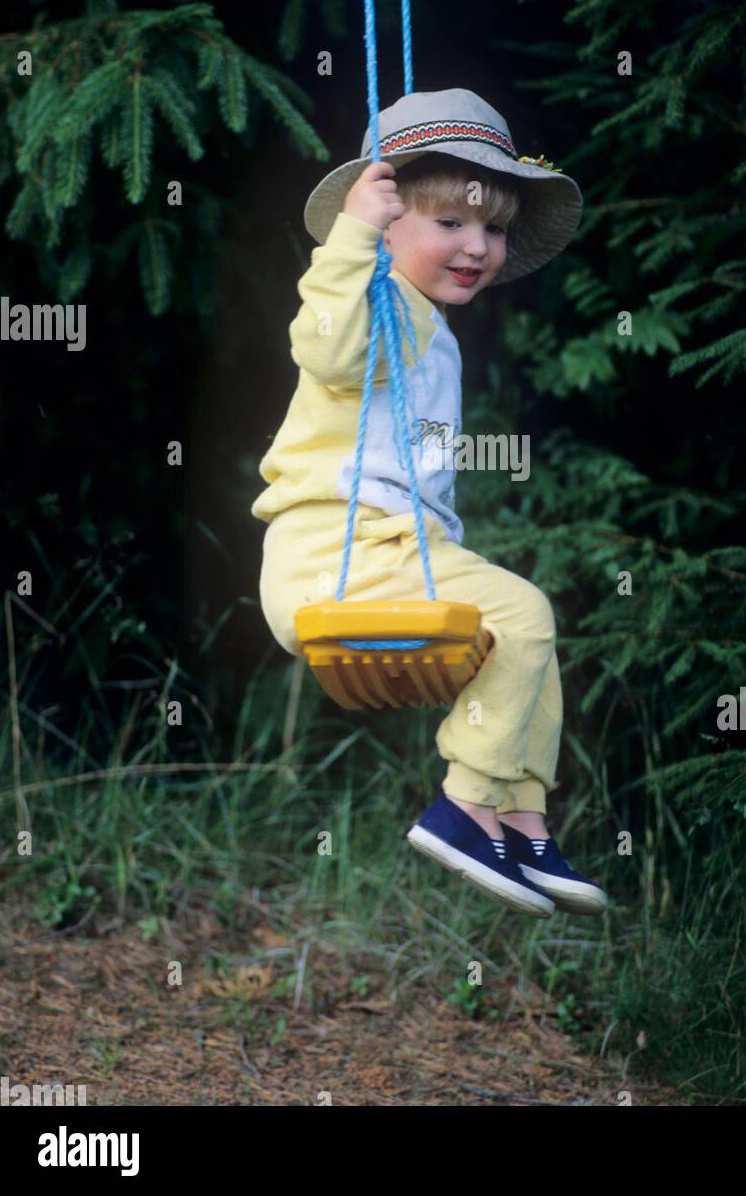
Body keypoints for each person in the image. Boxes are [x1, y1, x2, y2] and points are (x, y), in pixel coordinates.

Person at [251, 88, 607, 918]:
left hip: (393, 550)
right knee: (520, 612)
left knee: (529, 632)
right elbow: (324, 348)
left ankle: (519, 818)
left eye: (492, 228)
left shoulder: (431, 328)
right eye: (450, 223)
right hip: (331, 556)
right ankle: (463, 806)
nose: (478, 246)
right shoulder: (377, 298)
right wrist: (351, 233)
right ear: (384, 225)